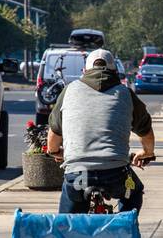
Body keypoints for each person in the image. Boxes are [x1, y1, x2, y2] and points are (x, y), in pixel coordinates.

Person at [46, 48, 156, 213]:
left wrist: (55, 151)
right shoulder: (126, 94)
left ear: (85, 71)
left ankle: (69, 233)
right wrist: (147, 152)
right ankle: (122, 229)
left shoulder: (69, 91)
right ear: (115, 71)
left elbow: (54, 136)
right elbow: (145, 132)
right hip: (115, 174)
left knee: (68, 219)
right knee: (134, 192)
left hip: (78, 174)